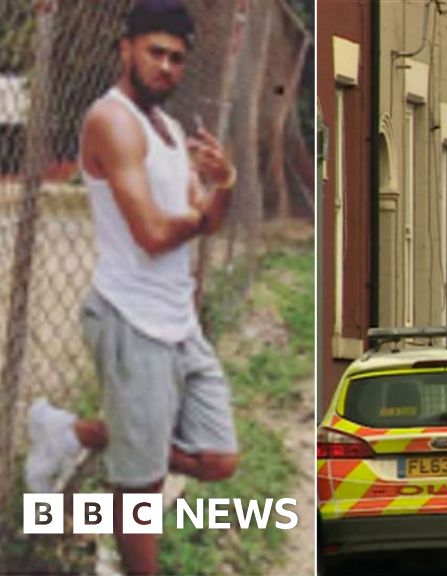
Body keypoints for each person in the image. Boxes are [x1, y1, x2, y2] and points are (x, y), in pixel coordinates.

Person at [24, 1, 238, 573]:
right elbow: (151, 233)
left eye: (177, 58)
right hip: (129, 318)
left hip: (176, 321)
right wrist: (200, 212)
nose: (166, 66)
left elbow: (202, 219)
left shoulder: (168, 129)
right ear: (126, 49)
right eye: (155, 52)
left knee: (218, 458)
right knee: (139, 488)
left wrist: (224, 185)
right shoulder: (112, 120)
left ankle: (68, 432)